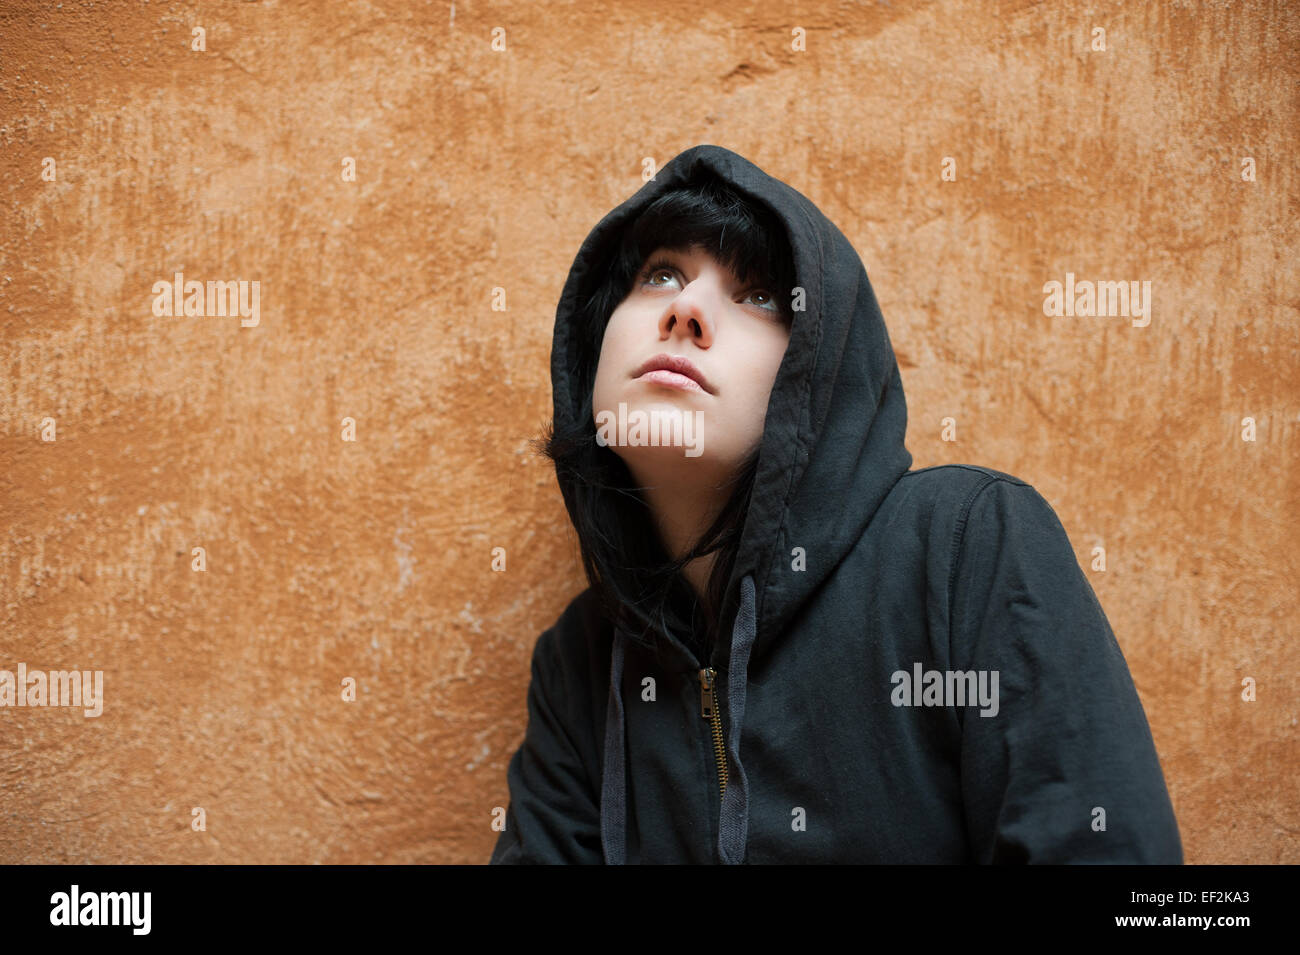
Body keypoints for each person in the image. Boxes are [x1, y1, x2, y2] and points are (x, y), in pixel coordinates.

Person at [490, 144, 1183, 864]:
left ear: (818, 374)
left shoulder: (967, 546)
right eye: (660, 274)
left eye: (759, 294)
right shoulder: (580, 660)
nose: (686, 310)